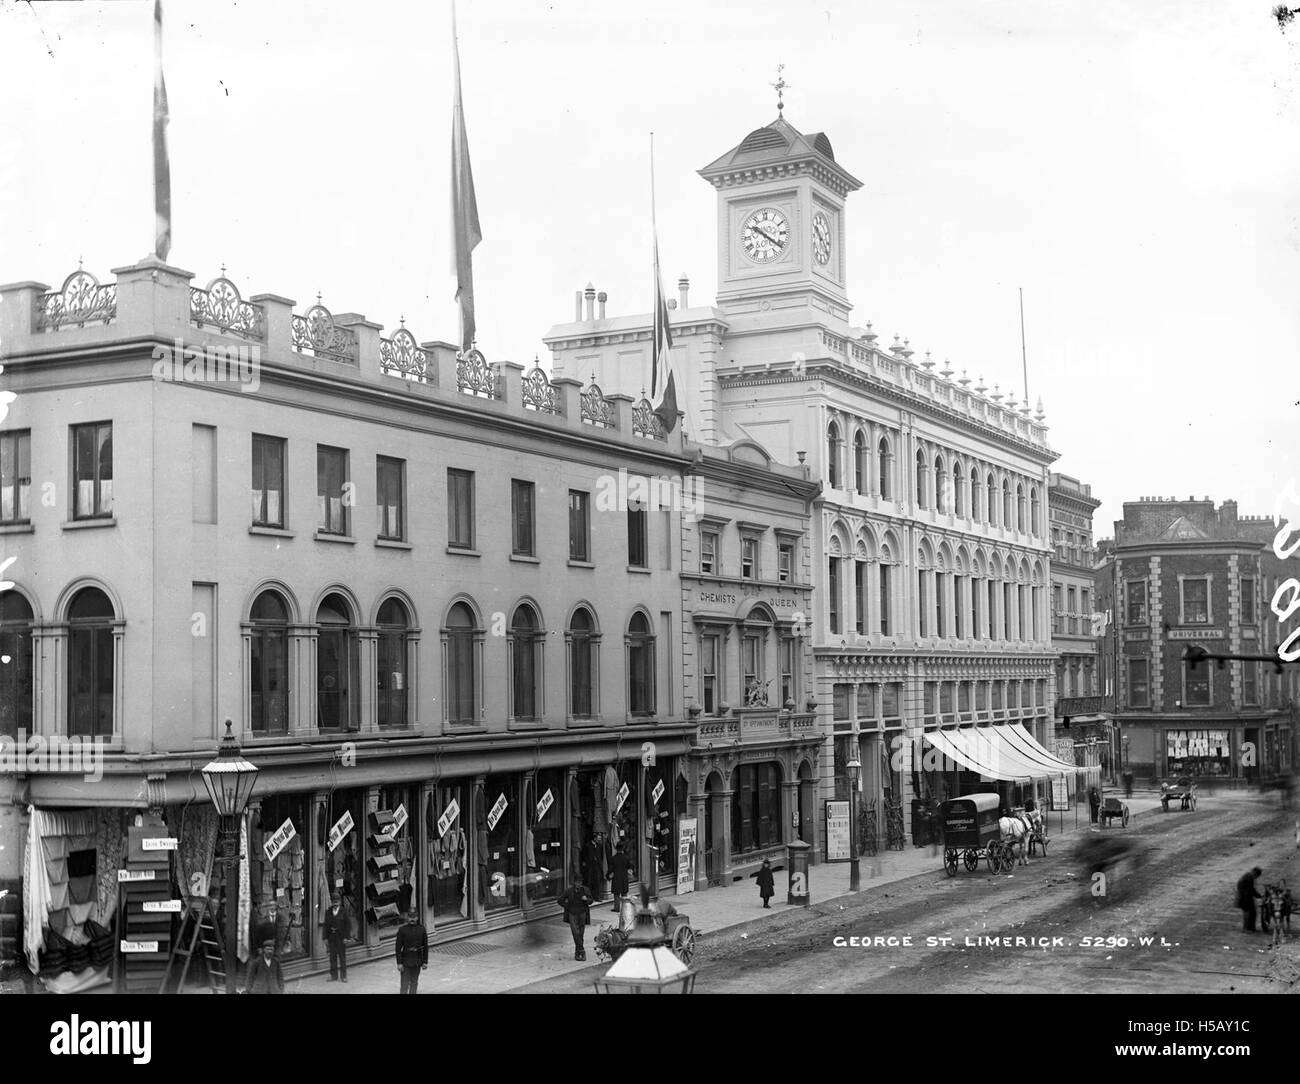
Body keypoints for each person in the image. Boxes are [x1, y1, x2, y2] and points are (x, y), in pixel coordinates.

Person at [394, 908, 428, 994]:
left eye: (414, 916)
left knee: (414, 982)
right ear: (407, 918)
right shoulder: (402, 930)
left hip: (417, 960)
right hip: (406, 961)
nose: (412, 919)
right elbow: (398, 948)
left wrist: (425, 962)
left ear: (417, 917)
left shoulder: (422, 929)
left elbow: (425, 947)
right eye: (410, 917)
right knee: (404, 984)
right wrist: (399, 963)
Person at [558, 879, 593, 961]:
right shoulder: (569, 891)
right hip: (572, 913)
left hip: (582, 913)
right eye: (577, 882)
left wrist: (586, 900)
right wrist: (567, 906)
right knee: (575, 933)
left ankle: (578, 953)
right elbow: (560, 900)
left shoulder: (585, 890)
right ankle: (582, 951)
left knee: (581, 933)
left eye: (580, 883)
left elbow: (591, 900)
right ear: (574, 883)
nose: (578, 884)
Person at [323, 891, 349, 982]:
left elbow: (347, 925)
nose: (335, 904)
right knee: (332, 957)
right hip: (331, 937)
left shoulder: (344, 911)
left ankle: (343, 976)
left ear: (340, 902)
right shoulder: (328, 911)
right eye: (334, 902)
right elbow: (325, 925)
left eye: (337, 902)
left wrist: (346, 937)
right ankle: (333, 976)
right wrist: (325, 937)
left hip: (341, 937)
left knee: (342, 957)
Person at [1236, 867, 1263, 932]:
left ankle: (1250, 928)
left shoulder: (1247, 876)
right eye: (1257, 876)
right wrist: (1259, 896)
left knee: (1251, 913)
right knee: (1247, 913)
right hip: (1245, 897)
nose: (1256, 878)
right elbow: (1251, 890)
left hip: (1245, 896)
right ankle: (1246, 928)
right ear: (1255, 873)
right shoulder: (1249, 877)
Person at [608, 841, 631, 916]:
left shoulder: (613, 858)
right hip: (624, 877)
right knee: (624, 893)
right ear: (623, 848)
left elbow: (611, 869)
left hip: (616, 878)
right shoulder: (626, 858)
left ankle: (617, 908)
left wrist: (608, 875)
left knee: (616, 894)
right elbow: (630, 866)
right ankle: (624, 907)